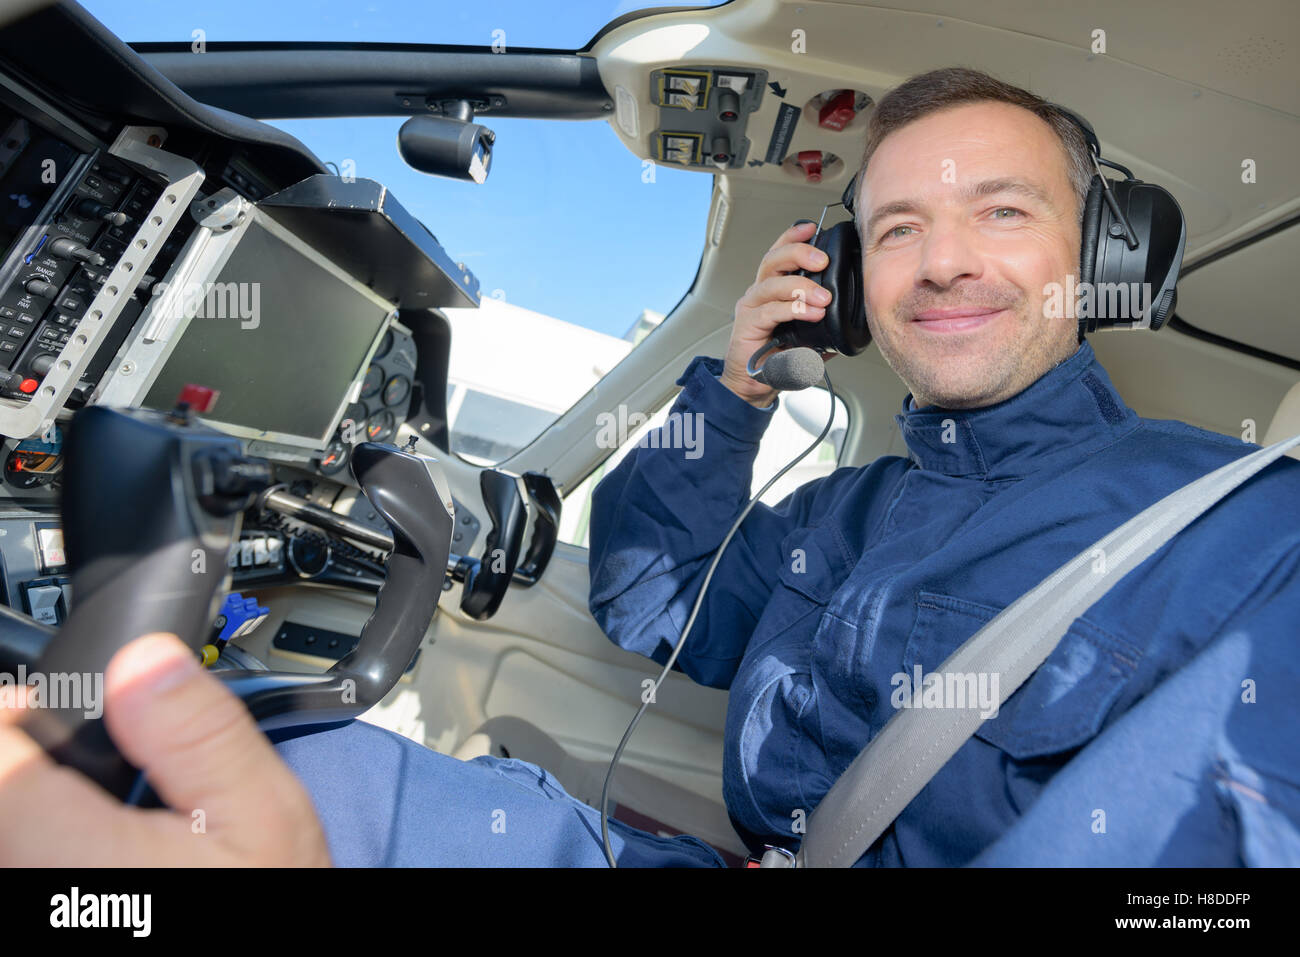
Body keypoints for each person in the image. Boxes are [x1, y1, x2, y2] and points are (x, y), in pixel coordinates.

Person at [2, 67, 1296, 867]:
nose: (945, 262)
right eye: (899, 227)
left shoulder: (1246, 535)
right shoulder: (855, 509)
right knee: (264, 768)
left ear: (1104, 255)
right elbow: (652, 598)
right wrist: (725, 391)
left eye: (1002, 213)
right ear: (855, 281)